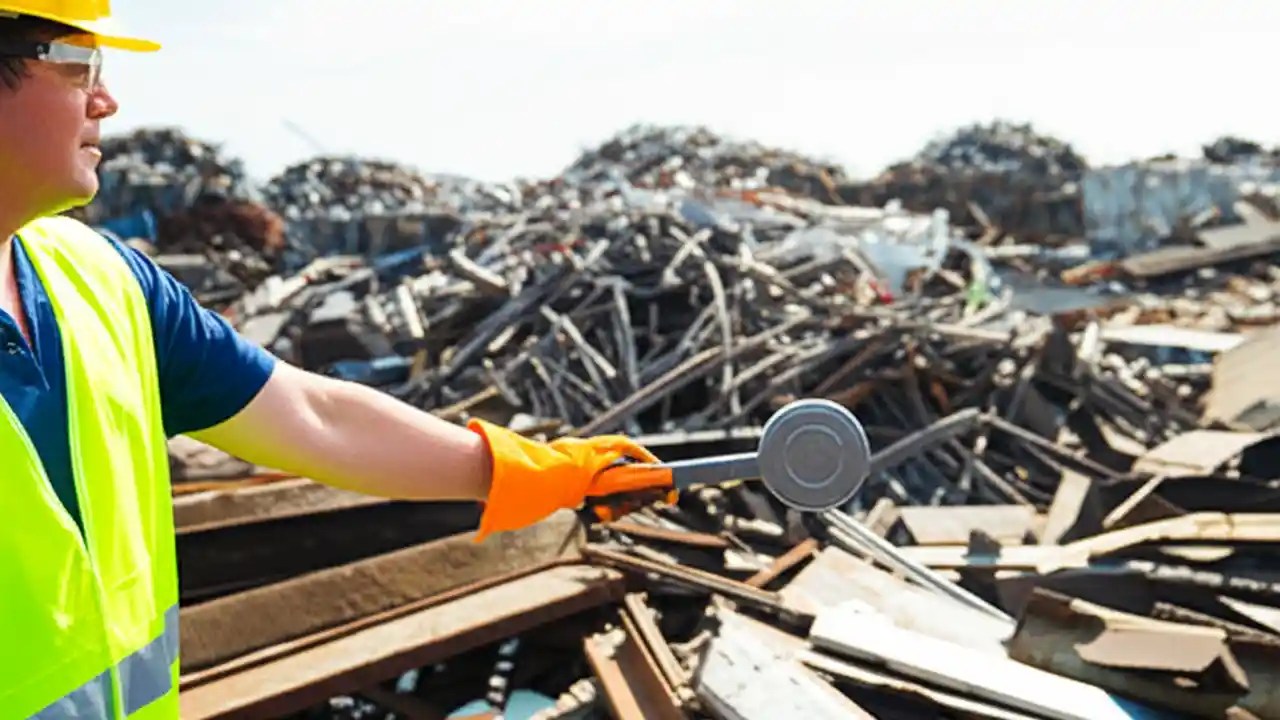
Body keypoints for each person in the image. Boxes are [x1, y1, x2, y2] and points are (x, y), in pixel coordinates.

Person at [0, 4, 671, 718]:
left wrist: (522, 471)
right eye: (79, 67)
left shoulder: (99, 280)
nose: (107, 99)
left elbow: (312, 415)